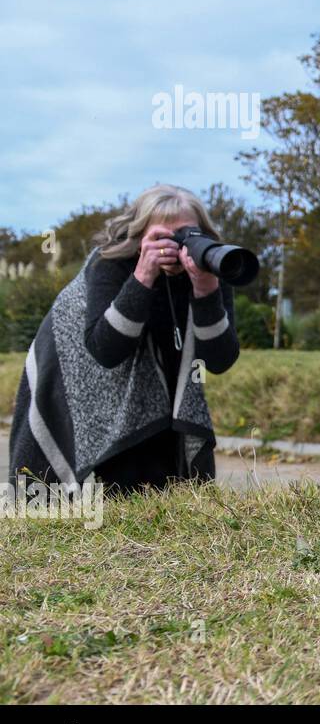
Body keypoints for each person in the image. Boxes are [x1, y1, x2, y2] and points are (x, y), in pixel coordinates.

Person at [9, 184, 242, 495]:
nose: (177, 245)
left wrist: (206, 292)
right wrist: (142, 277)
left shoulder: (209, 268)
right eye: (164, 236)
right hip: (92, 382)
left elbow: (220, 359)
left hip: (168, 396)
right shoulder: (110, 263)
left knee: (182, 488)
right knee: (132, 482)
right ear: (139, 236)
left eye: (188, 234)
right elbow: (105, 350)